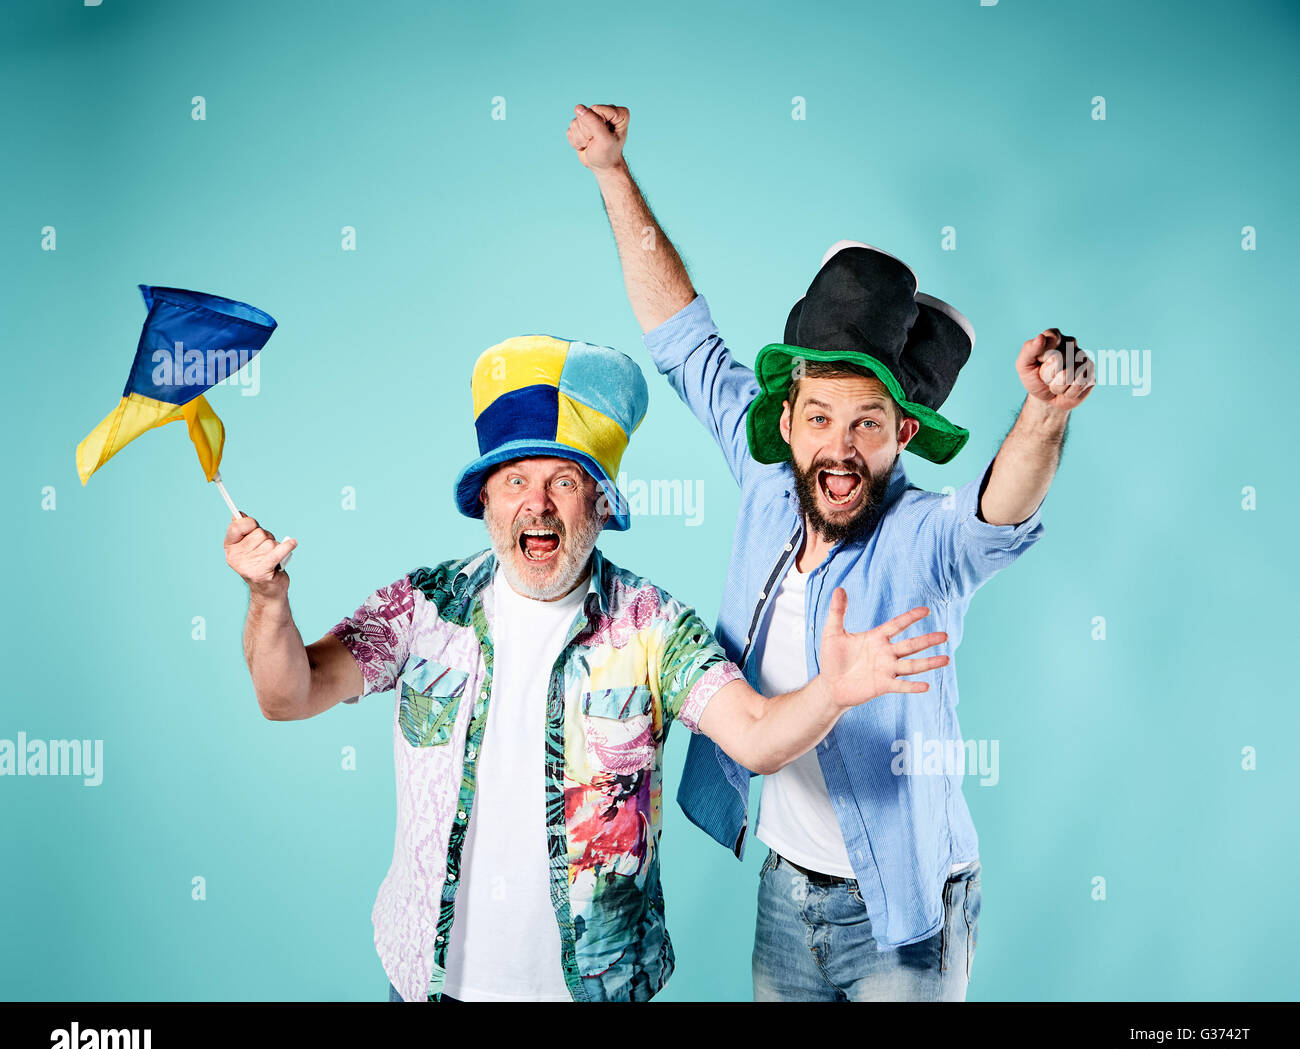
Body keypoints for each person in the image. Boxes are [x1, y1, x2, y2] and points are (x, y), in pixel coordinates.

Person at [225, 332, 950, 1002]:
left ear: (602, 504)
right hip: (431, 983)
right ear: (485, 499)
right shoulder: (422, 609)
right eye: (514, 481)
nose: (536, 504)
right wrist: (267, 599)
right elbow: (290, 694)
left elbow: (757, 734)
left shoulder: (654, 627)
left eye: (564, 482)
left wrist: (834, 690)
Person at [567, 102, 1096, 1001]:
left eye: (867, 424)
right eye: (819, 418)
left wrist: (1043, 416)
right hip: (784, 887)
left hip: (902, 905)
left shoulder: (922, 539)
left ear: (901, 436)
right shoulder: (768, 480)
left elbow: (992, 516)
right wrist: (613, 174)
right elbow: (683, 337)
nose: (840, 446)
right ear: (786, 422)